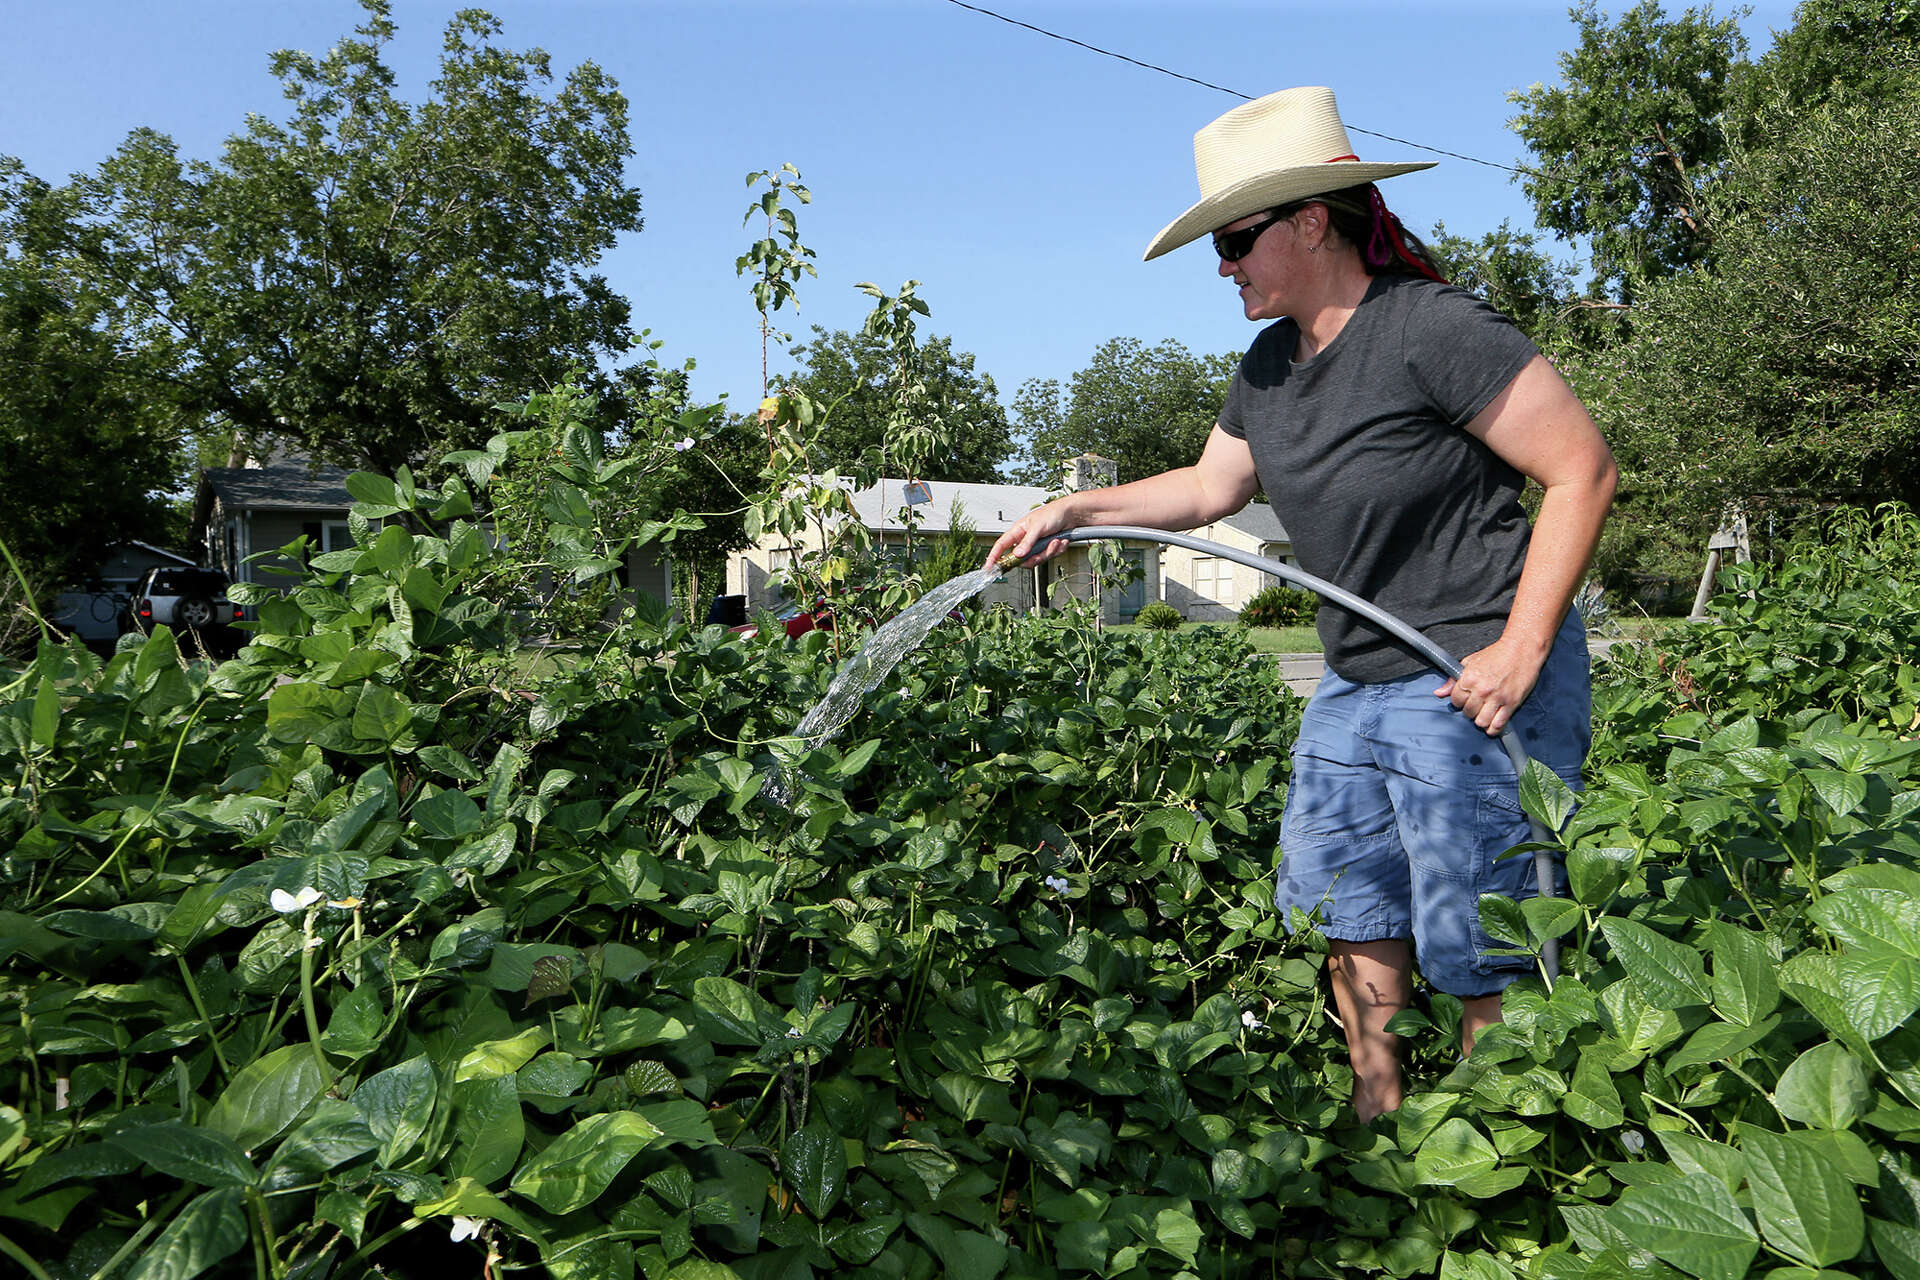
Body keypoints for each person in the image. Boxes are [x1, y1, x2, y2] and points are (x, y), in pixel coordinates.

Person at [984, 86, 1616, 1122]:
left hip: (1469, 669)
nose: (1224, 265)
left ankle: (1505, 1151)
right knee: (1347, 903)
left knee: (1483, 936)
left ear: (1311, 221)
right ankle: (1382, 1130)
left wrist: (1519, 649)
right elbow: (1207, 488)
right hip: (1357, 679)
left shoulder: (1430, 327)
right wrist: (1073, 507)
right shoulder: (1269, 366)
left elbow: (1582, 468)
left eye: (1235, 240)